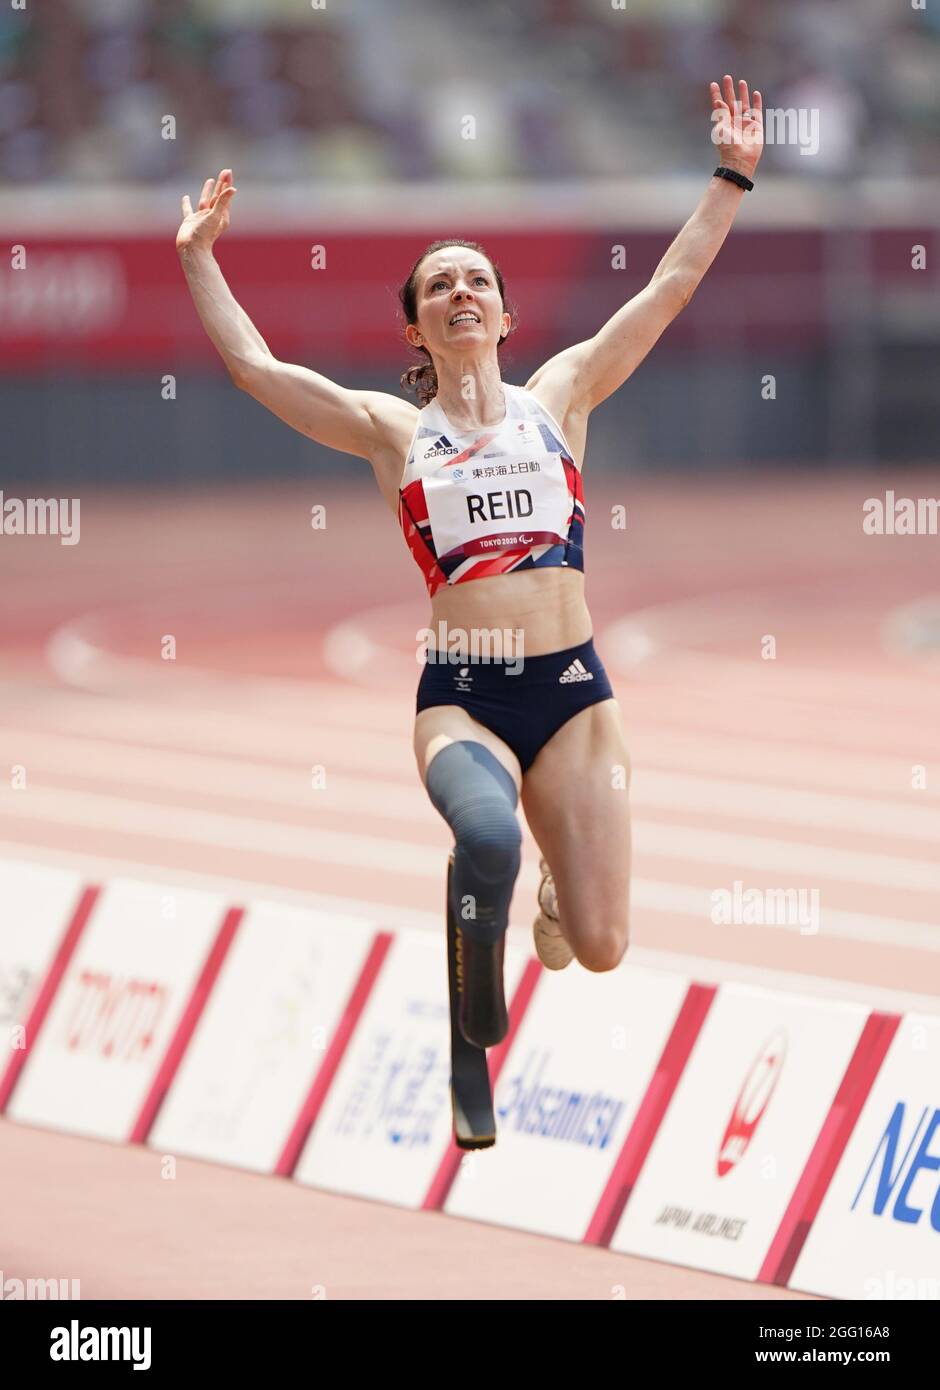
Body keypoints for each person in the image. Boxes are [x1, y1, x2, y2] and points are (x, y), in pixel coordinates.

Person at [176, 75, 763, 1048]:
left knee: (603, 942)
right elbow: (257, 368)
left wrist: (729, 178)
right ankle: (492, 872)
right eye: (438, 284)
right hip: (467, 690)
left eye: (476, 281)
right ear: (415, 327)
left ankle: (550, 887)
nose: (460, 291)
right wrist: (199, 257)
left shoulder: (560, 397)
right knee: (484, 830)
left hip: (572, 688)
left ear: (503, 316)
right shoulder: (392, 432)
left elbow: (667, 290)